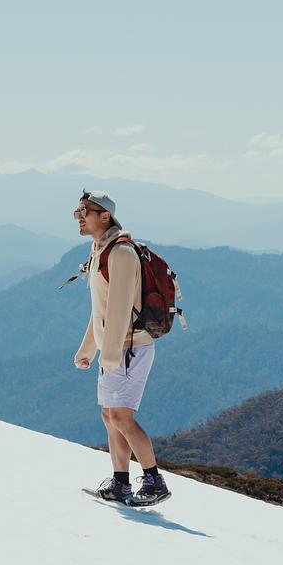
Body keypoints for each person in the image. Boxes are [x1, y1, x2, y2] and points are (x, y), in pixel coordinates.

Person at [72, 189, 171, 506]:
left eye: (84, 212)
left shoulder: (121, 254)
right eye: (78, 212)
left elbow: (118, 308)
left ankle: (154, 481)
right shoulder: (100, 250)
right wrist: (89, 348)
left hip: (130, 347)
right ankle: (120, 483)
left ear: (105, 216)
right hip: (116, 348)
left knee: (121, 417)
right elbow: (100, 309)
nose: (79, 218)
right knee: (109, 415)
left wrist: (110, 353)